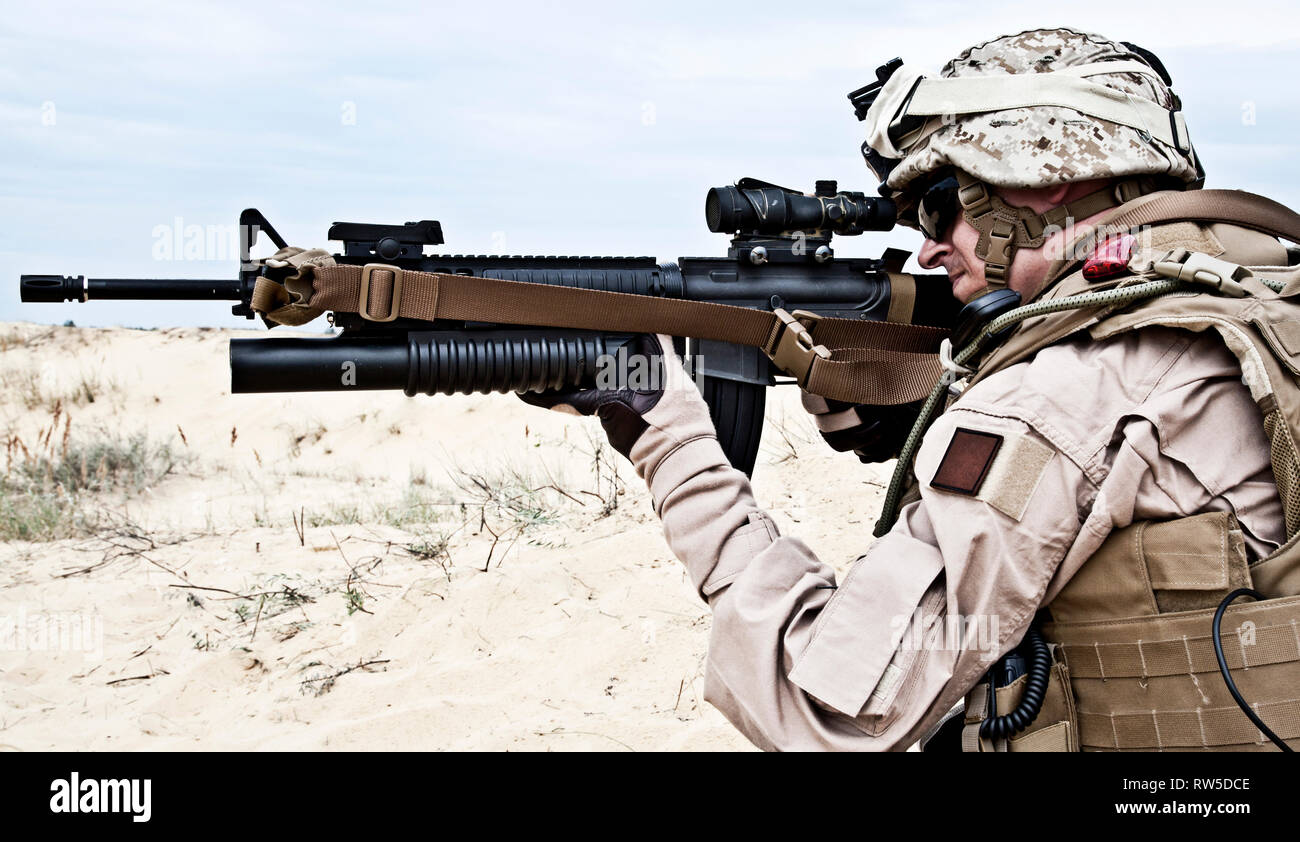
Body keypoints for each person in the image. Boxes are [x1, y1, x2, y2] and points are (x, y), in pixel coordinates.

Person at [522, 28, 1300, 751]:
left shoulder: (1075, 388)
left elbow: (823, 711)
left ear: (1047, 180)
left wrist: (669, 435)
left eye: (942, 205)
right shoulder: (1251, 301)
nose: (927, 248)